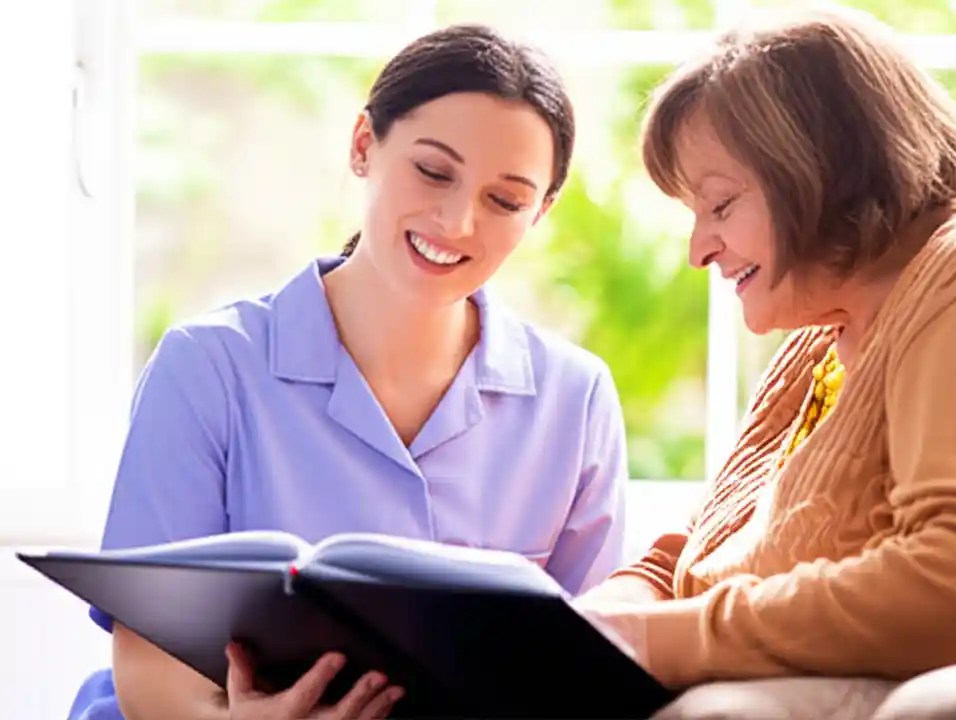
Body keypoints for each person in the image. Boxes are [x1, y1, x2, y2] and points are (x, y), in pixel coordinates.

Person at [575, 5, 956, 697]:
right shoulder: (832, 326)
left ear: (820, 173)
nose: (697, 250)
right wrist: (608, 617)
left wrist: (665, 640)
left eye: (722, 205)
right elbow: (706, 543)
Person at [68, 24, 629, 720]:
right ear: (364, 145)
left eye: (505, 200)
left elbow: (593, 655)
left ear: (541, 212)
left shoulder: (574, 400)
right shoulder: (206, 368)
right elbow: (146, 665)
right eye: (433, 171)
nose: (457, 221)